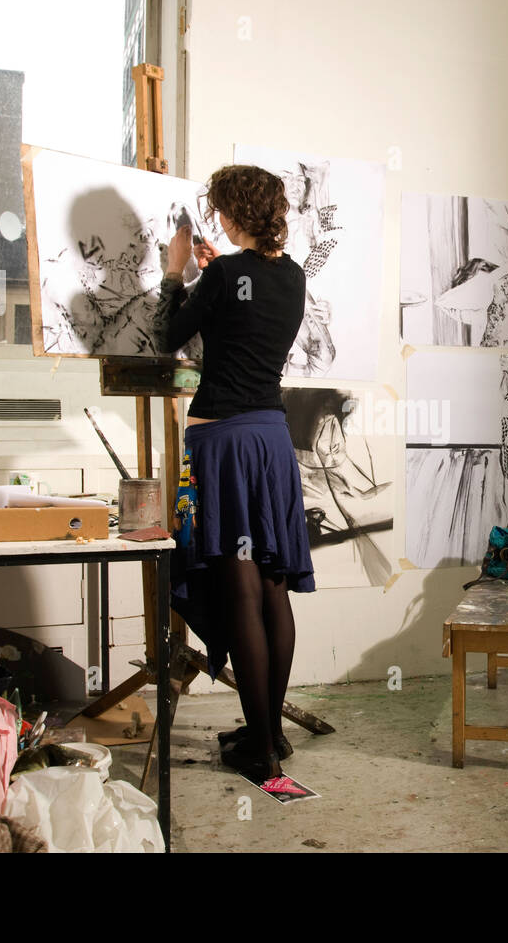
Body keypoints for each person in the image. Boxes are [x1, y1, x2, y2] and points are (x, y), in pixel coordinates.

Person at [157, 164, 315, 783]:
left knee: (242, 590)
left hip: (223, 440)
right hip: (271, 440)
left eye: (220, 206)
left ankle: (263, 751)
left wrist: (177, 274)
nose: (216, 214)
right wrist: (218, 271)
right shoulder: (291, 276)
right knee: (271, 586)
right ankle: (268, 732)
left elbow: (170, 335)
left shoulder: (223, 275)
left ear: (232, 212)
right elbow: (244, 326)